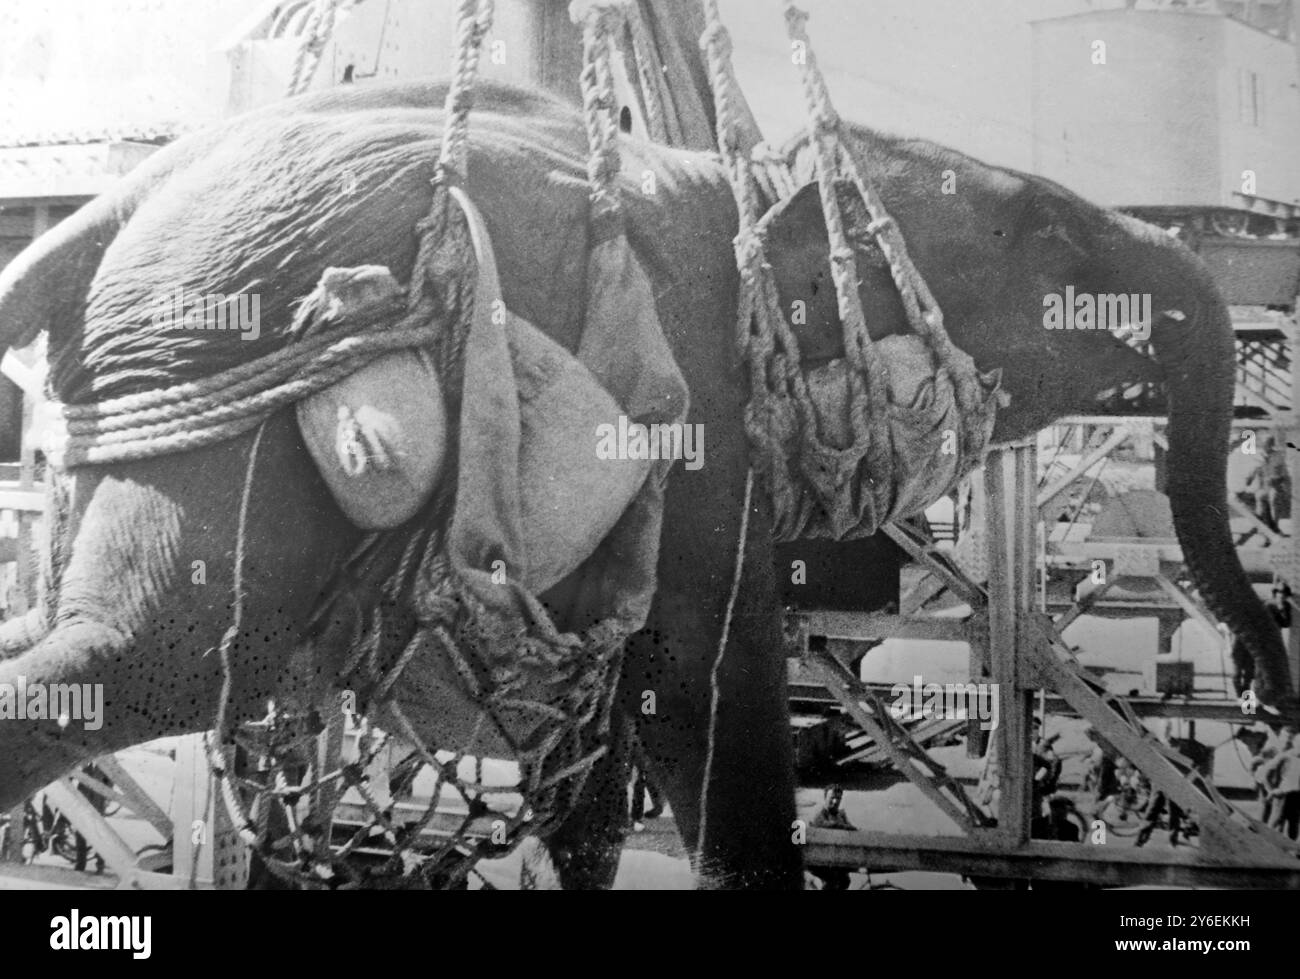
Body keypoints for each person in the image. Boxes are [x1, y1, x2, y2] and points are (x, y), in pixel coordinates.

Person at [808, 786, 856, 890]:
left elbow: (851, 828)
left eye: (838, 798)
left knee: (845, 880)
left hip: (833, 859)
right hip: (816, 859)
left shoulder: (841, 814)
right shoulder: (819, 813)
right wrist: (843, 826)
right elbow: (824, 824)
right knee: (832, 879)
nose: (835, 801)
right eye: (832, 798)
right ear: (825, 798)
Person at [1257, 727, 1300, 840]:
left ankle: (1293, 853)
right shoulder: (1285, 756)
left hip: (1296, 796)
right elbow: (1264, 774)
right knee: (1275, 821)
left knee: (1293, 825)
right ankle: (1264, 845)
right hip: (1283, 794)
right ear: (1295, 743)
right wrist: (1270, 790)